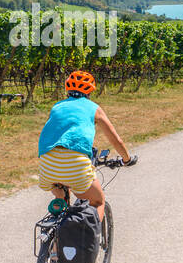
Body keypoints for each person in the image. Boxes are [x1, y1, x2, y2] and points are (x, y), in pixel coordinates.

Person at [36, 70, 134, 221]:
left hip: (46, 164)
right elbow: (116, 140)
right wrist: (127, 159)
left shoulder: (57, 106)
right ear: (90, 91)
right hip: (76, 163)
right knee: (98, 201)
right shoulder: (93, 108)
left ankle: (55, 232)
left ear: (67, 89)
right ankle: (92, 240)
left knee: (60, 190)